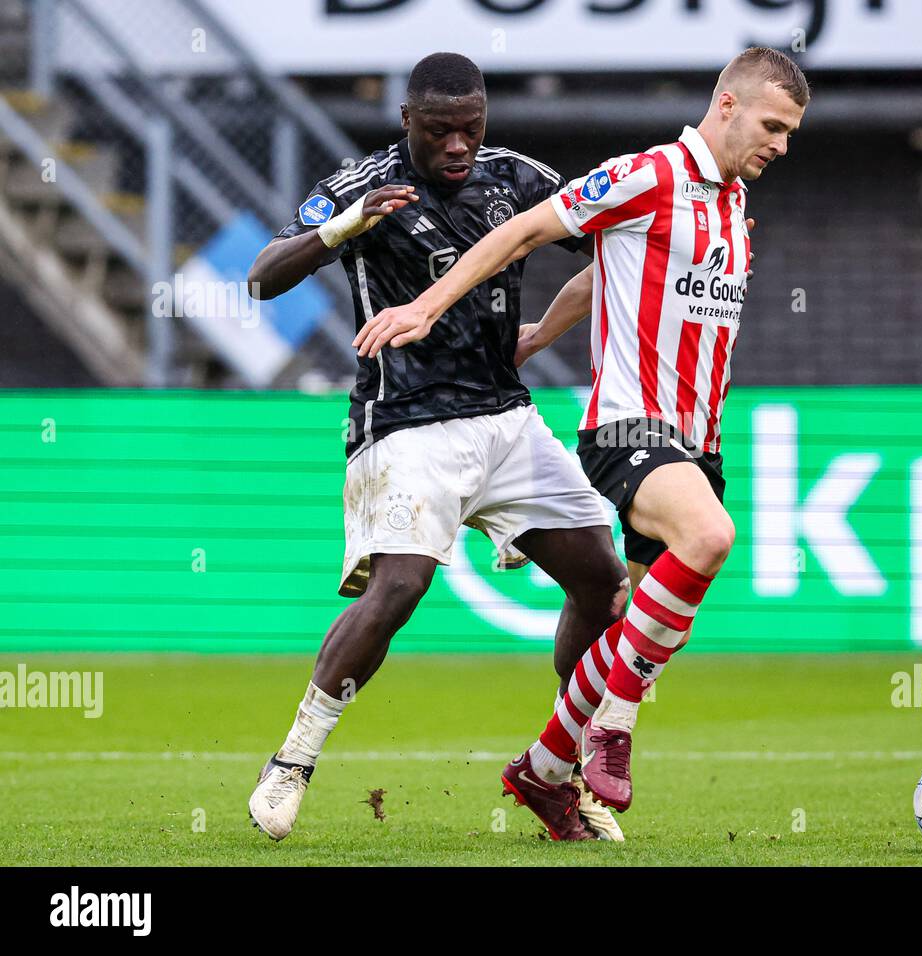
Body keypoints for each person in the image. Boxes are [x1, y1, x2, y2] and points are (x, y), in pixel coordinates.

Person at [351, 47, 809, 815]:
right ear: (726, 106)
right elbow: (522, 233)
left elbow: (605, 271)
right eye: (772, 125)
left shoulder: (731, 203)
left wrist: (539, 335)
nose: (782, 144)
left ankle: (544, 765)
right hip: (630, 424)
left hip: (700, 439)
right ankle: (612, 726)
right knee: (710, 537)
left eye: (792, 132)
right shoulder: (647, 174)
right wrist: (429, 306)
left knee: (646, 629)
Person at [244, 52, 629, 843]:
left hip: (507, 419)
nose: (458, 145)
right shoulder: (361, 185)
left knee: (604, 580)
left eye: (471, 128)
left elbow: (618, 259)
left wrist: (542, 335)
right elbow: (260, 278)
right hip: (406, 423)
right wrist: (341, 229)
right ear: (407, 122)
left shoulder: (517, 178)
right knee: (403, 586)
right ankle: (293, 760)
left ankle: (559, 770)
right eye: (440, 130)